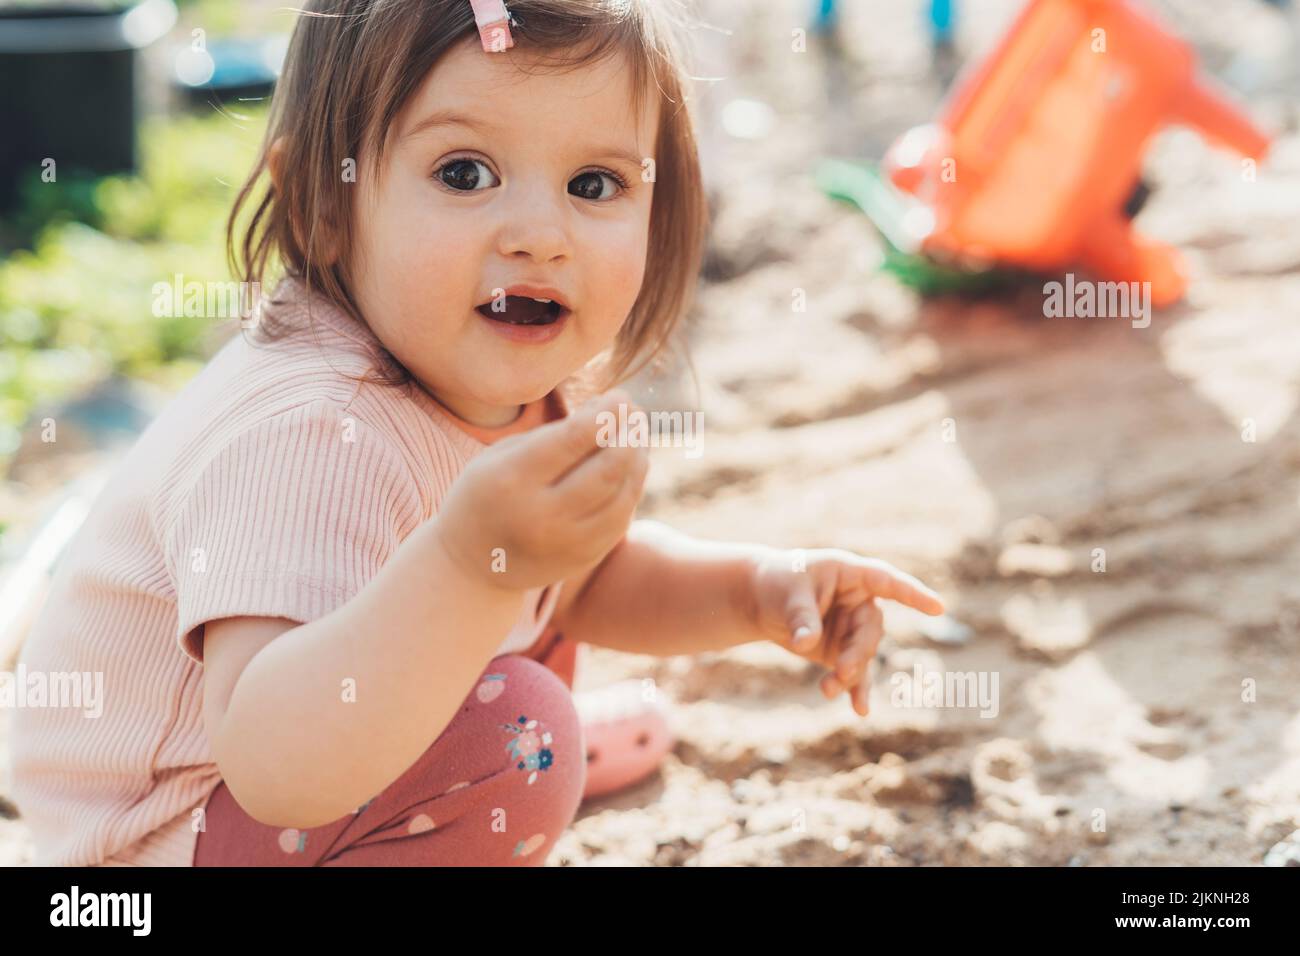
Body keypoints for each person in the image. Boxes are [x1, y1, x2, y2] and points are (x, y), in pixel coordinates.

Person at [8, 0, 944, 867]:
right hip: (156, 843)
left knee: (529, 695)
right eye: (465, 173)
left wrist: (754, 590)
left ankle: (458, 778)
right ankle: (465, 780)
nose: (541, 233)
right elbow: (273, 760)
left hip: (292, 786)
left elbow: (584, 581)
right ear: (323, 207)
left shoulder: (509, 379)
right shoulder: (307, 435)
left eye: (593, 182)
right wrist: (466, 567)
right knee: (520, 737)